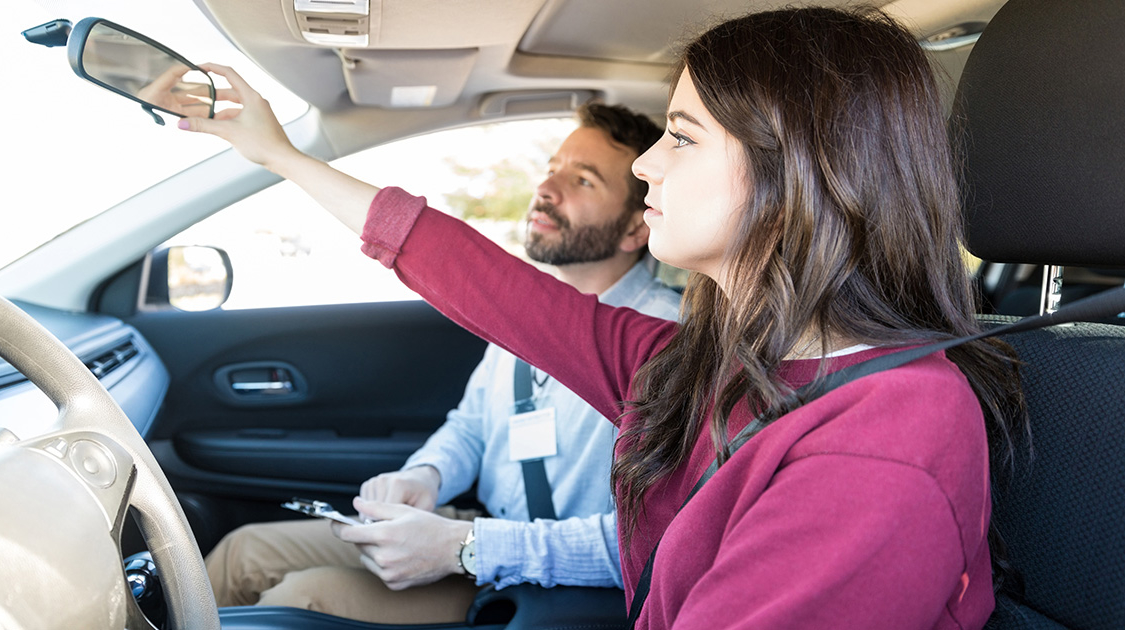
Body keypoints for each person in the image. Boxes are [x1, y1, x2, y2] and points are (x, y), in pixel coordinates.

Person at [180, 6, 1027, 628]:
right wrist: (279, 155)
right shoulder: (700, 363)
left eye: (683, 138)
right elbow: (474, 276)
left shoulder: (884, 437)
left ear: (799, 171)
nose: (651, 166)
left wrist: (471, 549)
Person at [202, 103, 682, 624]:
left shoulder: (667, 344)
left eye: (584, 180)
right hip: (482, 532)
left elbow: (654, 545)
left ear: (637, 229)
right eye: (552, 169)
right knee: (243, 551)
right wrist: (425, 478)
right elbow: (472, 427)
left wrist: (466, 545)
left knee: (300, 600)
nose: (547, 189)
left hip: (553, 584)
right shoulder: (528, 312)